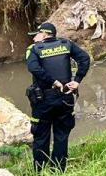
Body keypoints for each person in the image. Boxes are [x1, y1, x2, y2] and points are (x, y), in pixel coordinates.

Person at [25, 22, 90, 173]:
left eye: (37, 34)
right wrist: (77, 81)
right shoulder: (66, 44)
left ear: (45, 34)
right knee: (61, 135)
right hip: (65, 98)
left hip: (43, 100)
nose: (34, 38)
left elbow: (33, 68)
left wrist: (53, 82)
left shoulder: (34, 49)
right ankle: (59, 170)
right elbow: (84, 59)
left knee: (41, 136)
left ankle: (40, 171)